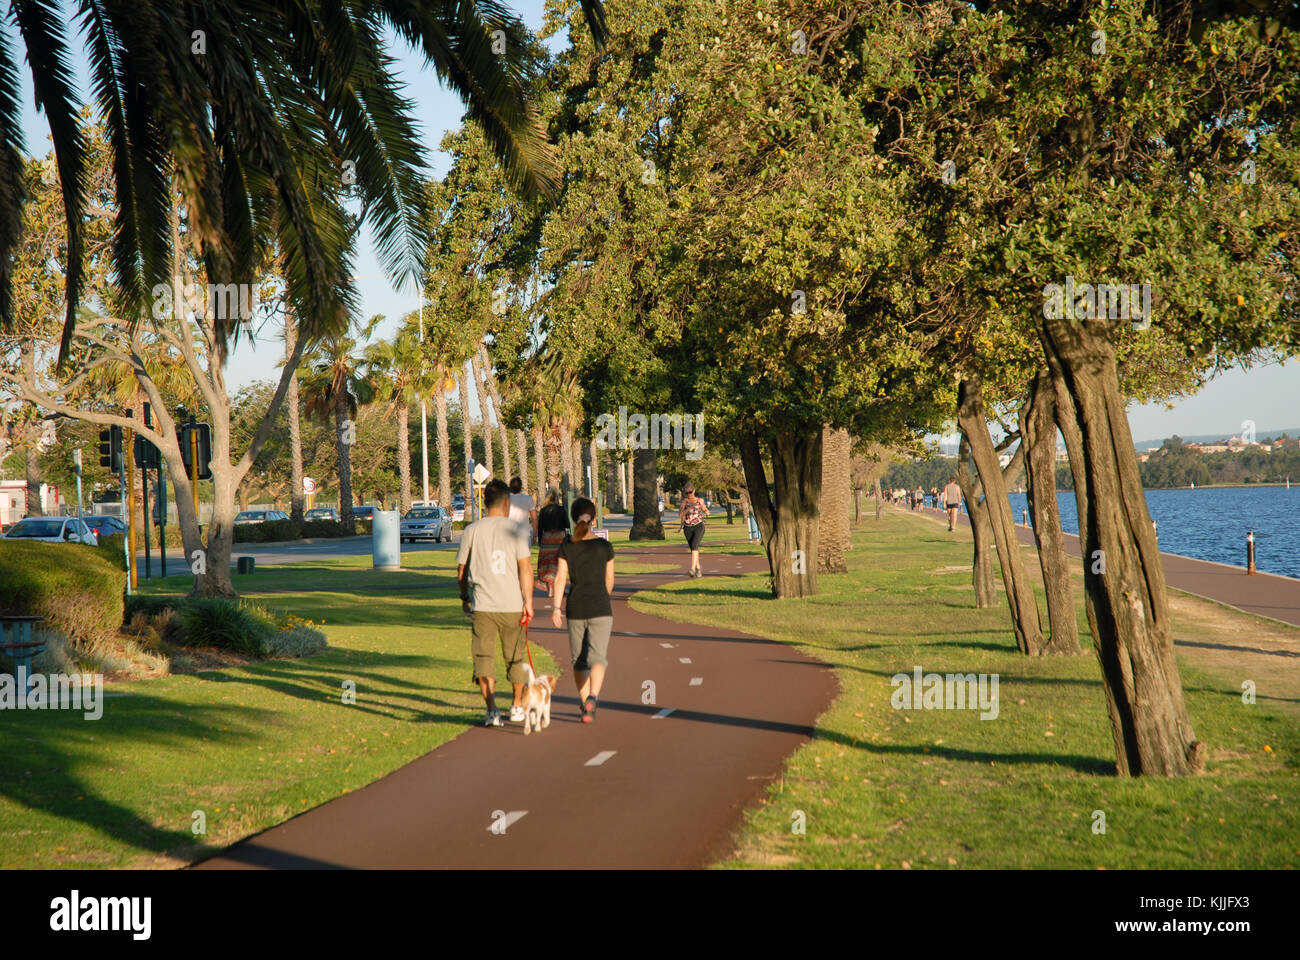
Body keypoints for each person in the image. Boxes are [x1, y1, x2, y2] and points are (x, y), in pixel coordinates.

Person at [457, 478, 534, 727]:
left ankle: (492, 710)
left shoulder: (472, 530)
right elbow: (525, 569)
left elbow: (461, 570)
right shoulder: (516, 529)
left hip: (483, 606)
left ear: (485, 502)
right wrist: (529, 601)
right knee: (516, 657)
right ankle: (517, 704)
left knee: (483, 658)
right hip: (512, 604)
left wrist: (464, 596)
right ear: (507, 503)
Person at [551, 497, 615, 723]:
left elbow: (560, 579)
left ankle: (585, 701)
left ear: (573, 517)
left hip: (575, 607)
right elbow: (609, 582)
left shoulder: (567, 546)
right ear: (594, 518)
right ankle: (593, 697)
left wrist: (556, 608)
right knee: (598, 658)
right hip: (600, 607)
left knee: (578, 660)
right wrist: (600, 598)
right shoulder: (605, 547)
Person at [536, 489, 569, 605]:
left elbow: (540, 527)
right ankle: (562, 589)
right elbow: (567, 524)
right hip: (559, 537)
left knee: (547, 564)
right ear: (556, 498)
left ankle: (550, 590)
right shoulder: (561, 510)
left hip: (547, 538)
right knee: (560, 563)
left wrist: (540, 541)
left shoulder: (544, 510)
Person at [678, 483, 710, 577]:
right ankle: (698, 568)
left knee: (695, 546)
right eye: (687, 493)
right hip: (687, 527)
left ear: (694, 491)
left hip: (699, 526)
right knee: (693, 549)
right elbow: (680, 515)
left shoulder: (700, 500)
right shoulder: (684, 502)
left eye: (690, 492)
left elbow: (704, 508)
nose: (689, 494)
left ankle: (692, 569)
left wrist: (707, 512)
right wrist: (690, 508)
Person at [507, 476, 537, 545]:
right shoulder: (528, 499)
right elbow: (534, 518)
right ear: (520, 487)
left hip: (509, 533)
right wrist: (535, 535)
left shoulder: (506, 499)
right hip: (525, 534)